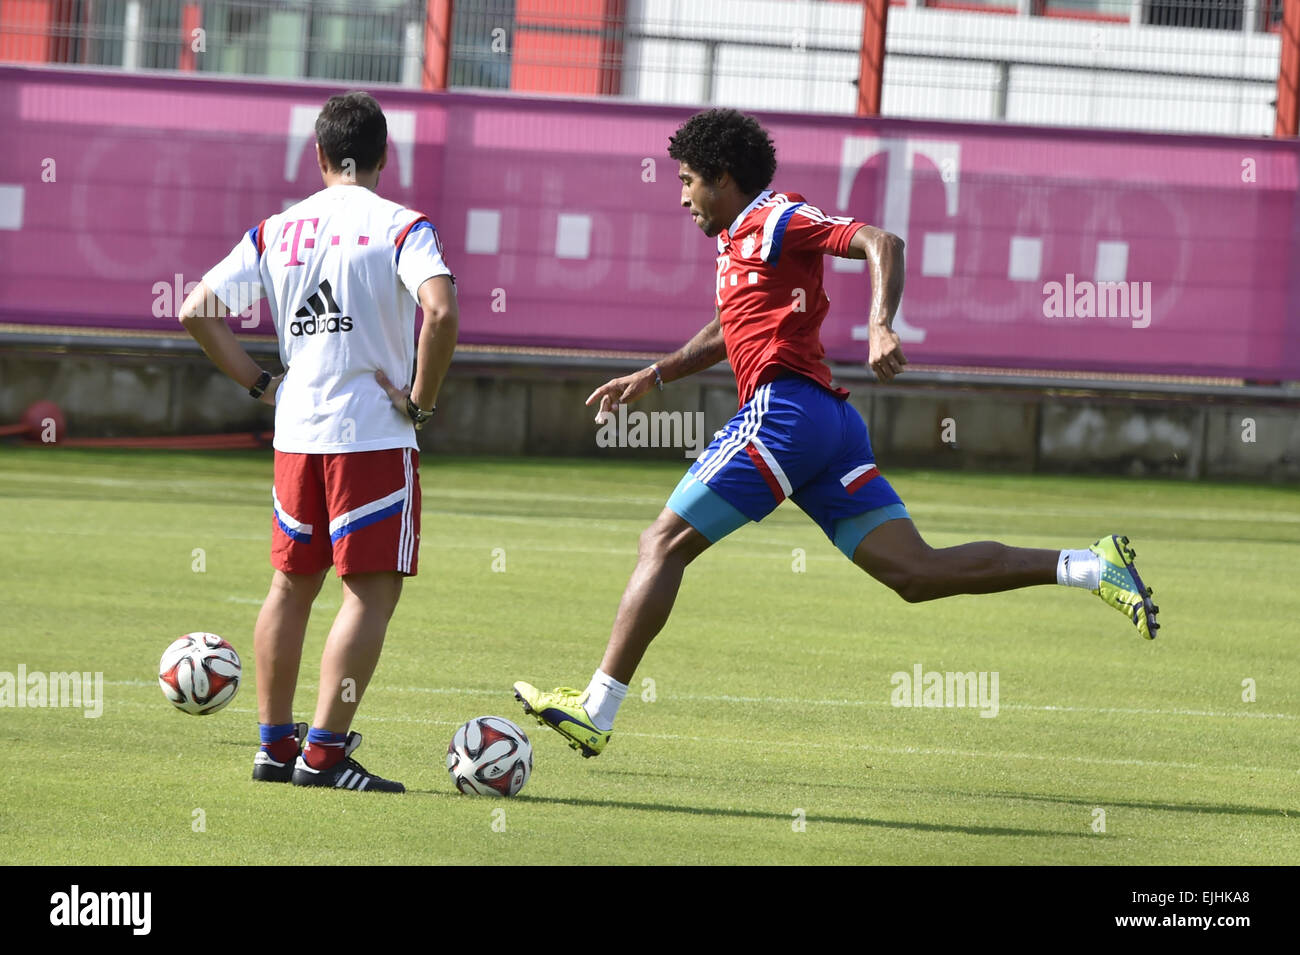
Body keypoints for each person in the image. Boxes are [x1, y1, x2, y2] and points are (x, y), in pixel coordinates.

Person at [513, 108, 1158, 757]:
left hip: (788, 412)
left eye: (687, 181)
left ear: (724, 177)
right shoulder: (738, 239)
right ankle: (1090, 566)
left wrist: (880, 323)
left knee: (663, 540)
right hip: (827, 427)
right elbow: (727, 327)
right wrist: (655, 373)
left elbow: (883, 242)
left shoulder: (776, 217)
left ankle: (596, 708)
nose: (681, 196)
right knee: (916, 572)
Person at [178, 91, 458, 792]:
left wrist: (259, 382)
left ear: (320, 156)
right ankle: (325, 753)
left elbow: (195, 309)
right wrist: (420, 400)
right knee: (369, 591)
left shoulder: (277, 229)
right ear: (384, 156)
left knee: (291, 585)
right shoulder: (402, 225)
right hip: (371, 433)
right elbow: (442, 310)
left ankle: (276, 746)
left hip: (297, 431)